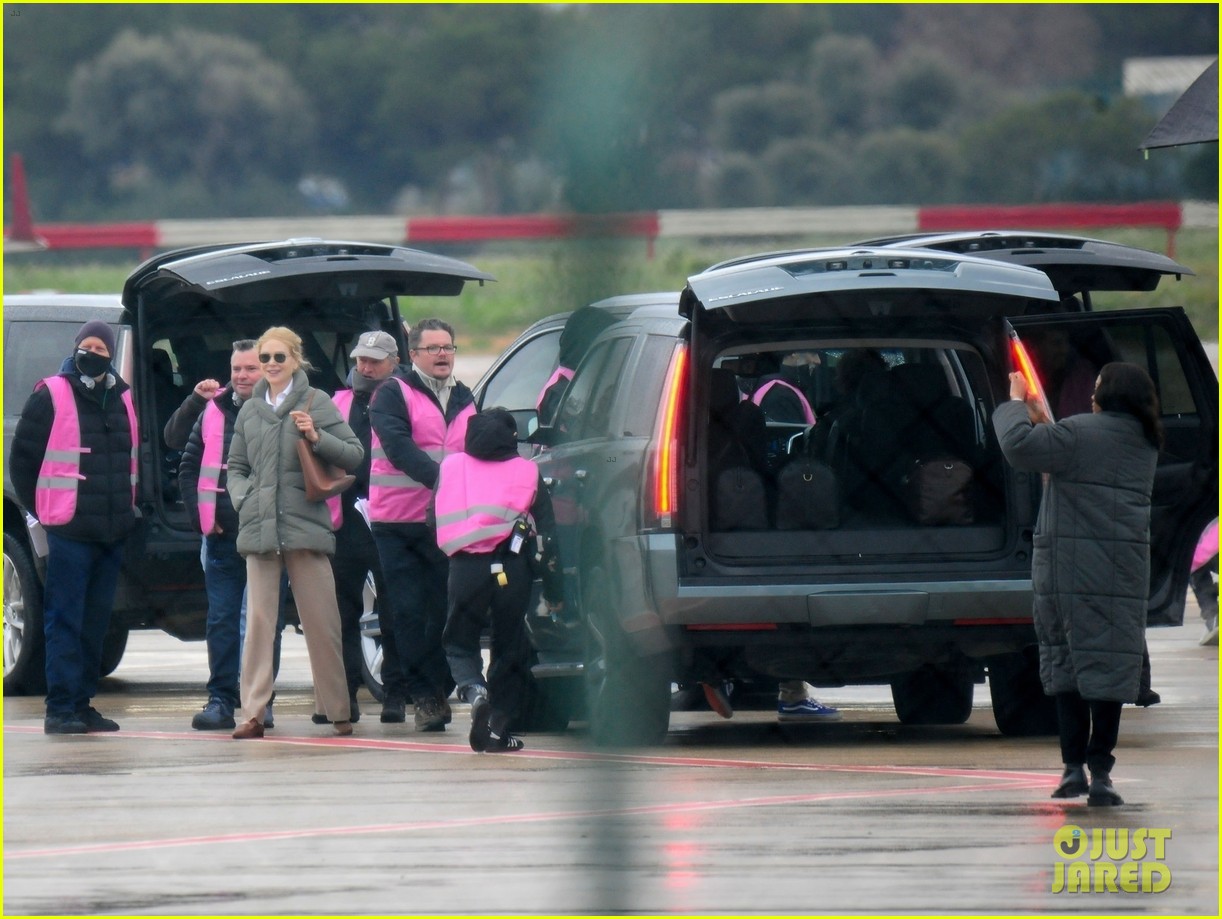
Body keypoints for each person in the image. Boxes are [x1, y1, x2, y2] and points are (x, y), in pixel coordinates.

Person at [994, 362, 1163, 807]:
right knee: (1106, 670)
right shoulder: (1143, 441)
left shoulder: (1079, 434)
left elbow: (1018, 446)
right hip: (1119, 573)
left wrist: (1015, 403)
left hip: (1066, 572)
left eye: (1097, 388)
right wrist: (1040, 414)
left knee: (1065, 669)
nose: (1091, 394)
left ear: (1109, 396)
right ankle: (1102, 771)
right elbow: (1071, 450)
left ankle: (1072, 769)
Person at [225, 327, 364, 739]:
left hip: (306, 529)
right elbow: (236, 466)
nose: (269, 365)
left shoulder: (315, 401)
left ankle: (338, 710)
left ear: (295, 360)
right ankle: (252, 713)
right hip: (260, 530)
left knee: (323, 622)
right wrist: (243, 498)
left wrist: (317, 436)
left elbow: (354, 454)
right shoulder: (251, 410)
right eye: (264, 358)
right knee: (259, 626)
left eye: (278, 358)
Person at [10, 320, 138, 734]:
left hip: (111, 531)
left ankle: (83, 704)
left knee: (96, 621)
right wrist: (46, 512)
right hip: (69, 531)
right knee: (64, 618)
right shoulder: (51, 394)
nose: (93, 352)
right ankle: (60, 707)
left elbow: (131, 462)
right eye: (87, 345)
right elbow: (23, 463)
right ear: (75, 348)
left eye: (101, 347)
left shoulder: (122, 398)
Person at [433, 408, 563, 752]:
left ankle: (474, 692)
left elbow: (433, 519)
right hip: (511, 570)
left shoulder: (450, 467)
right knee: (509, 647)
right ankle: (497, 729)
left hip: (464, 569)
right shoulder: (527, 471)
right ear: (513, 438)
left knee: (459, 641)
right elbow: (548, 539)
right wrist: (555, 590)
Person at [369, 318, 475, 731]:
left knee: (444, 611)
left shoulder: (465, 397)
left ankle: (441, 684)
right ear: (413, 355)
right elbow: (398, 448)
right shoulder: (392, 394)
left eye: (448, 347)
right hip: (398, 522)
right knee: (409, 611)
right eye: (432, 348)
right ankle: (425, 697)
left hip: (447, 523)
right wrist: (447, 482)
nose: (443, 354)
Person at [173, 340, 270, 730]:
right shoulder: (211, 410)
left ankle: (260, 699)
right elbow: (185, 462)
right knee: (223, 620)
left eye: (251, 368)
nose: (243, 376)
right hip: (221, 536)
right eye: (237, 369)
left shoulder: (282, 409)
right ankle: (221, 699)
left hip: (266, 537)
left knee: (262, 622)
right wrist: (201, 518)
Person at [319, 329, 413, 725]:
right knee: (339, 613)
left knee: (394, 609)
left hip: (389, 518)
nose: (365, 367)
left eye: (374, 360)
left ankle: (395, 694)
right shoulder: (336, 401)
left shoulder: (406, 398)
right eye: (360, 359)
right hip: (343, 519)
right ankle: (344, 698)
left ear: (394, 362)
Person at [536, 306, 619, 428]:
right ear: (592, 347)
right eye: (611, 347)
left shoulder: (574, 382)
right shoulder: (561, 394)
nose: (614, 354)